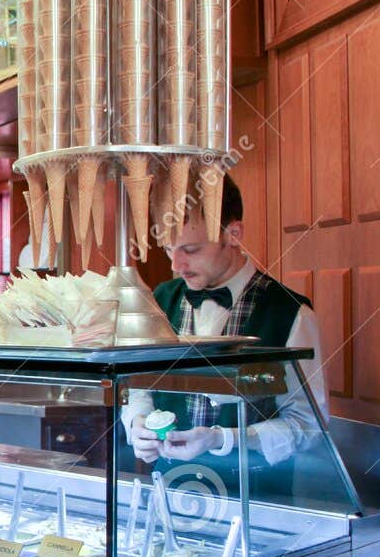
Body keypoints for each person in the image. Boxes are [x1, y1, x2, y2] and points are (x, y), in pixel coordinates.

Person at [122, 175, 327, 490]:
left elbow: (309, 426)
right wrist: (138, 422)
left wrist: (224, 439)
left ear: (233, 234)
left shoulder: (290, 313)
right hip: (169, 489)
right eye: (168, 249)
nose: (176, 264)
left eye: (191, 249)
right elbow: (138, 387)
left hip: (256, 497)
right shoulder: (159, 301)